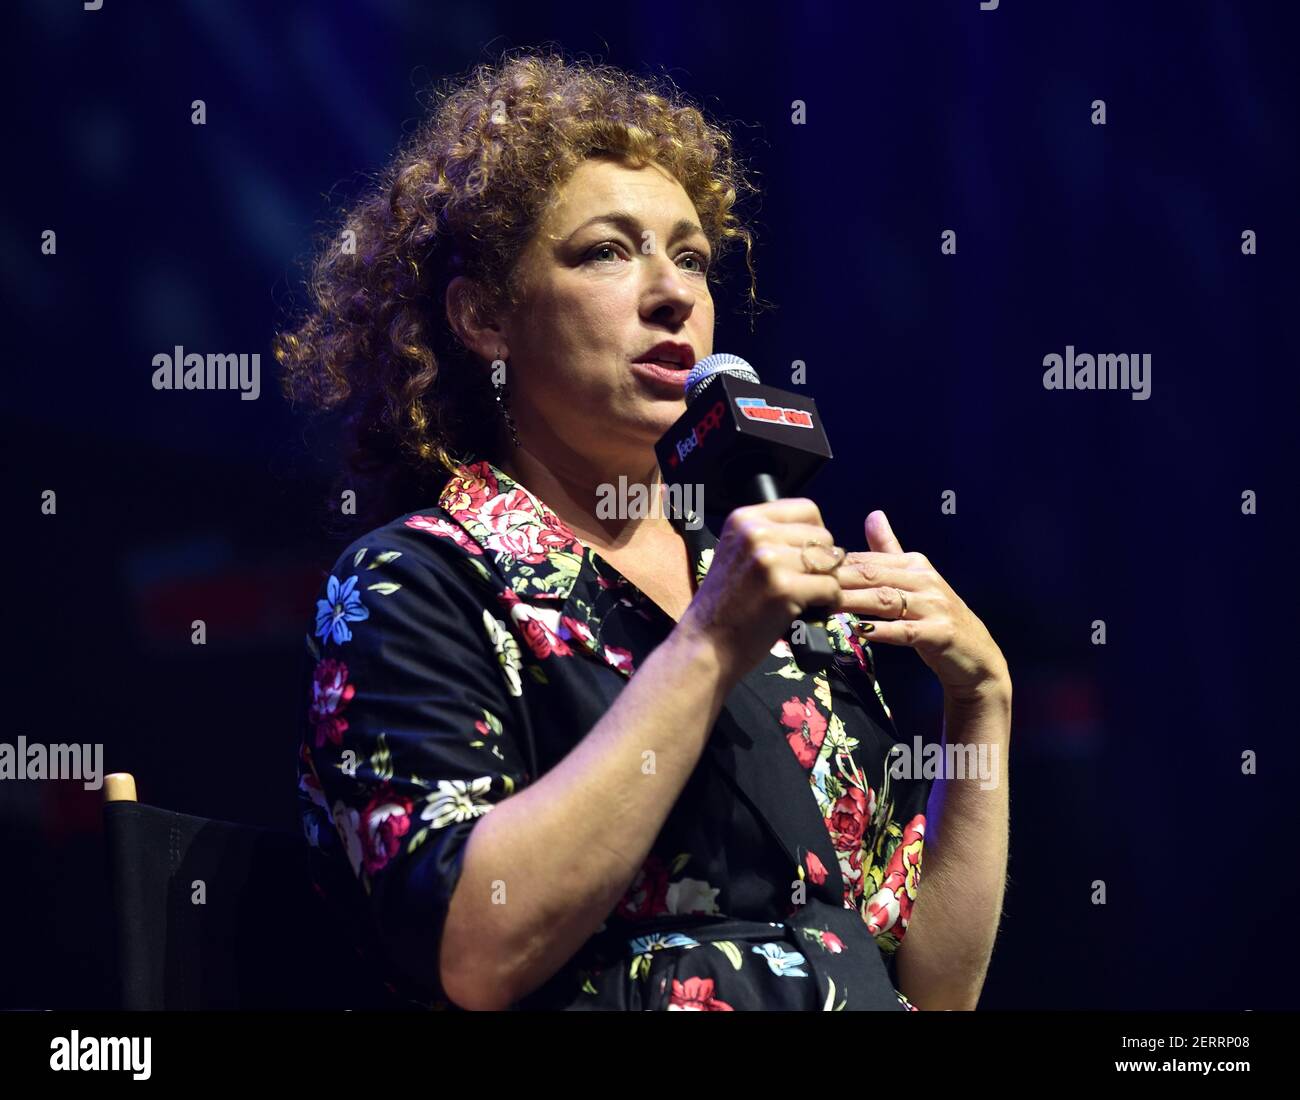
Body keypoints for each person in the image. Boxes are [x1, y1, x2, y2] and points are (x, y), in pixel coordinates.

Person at [274, 51, 1012, 1012]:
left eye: (692, 257)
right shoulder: (416, 584)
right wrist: (706, 645)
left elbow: (929, 990)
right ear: (485, 318)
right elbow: (474, 945)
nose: (673, 295)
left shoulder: (787, 598)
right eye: (607, 252)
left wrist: (980, 706)